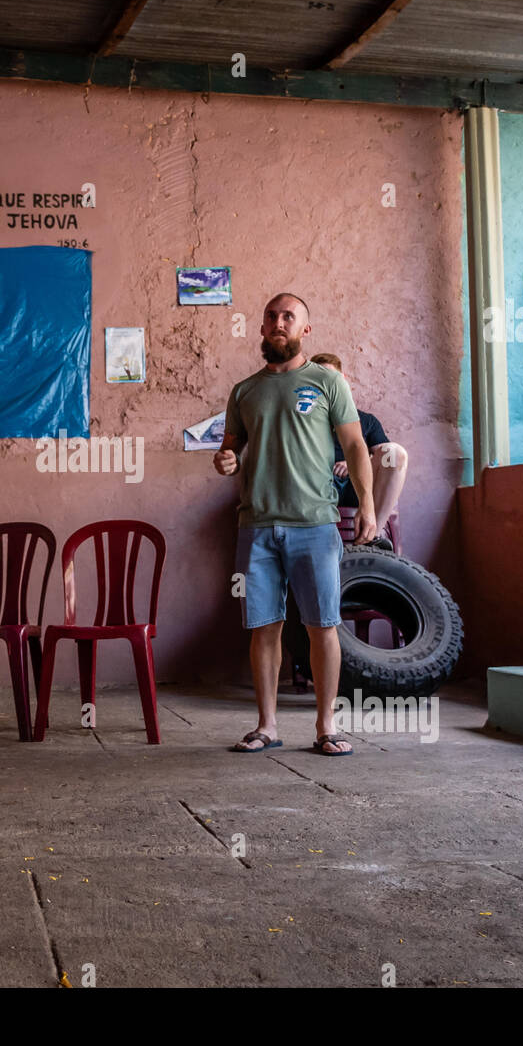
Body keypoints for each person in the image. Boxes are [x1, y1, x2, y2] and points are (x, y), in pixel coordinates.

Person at [214, 292, 376, 756]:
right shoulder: (244, 391)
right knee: (263, 627)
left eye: (289, 316)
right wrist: (225, 460)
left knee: (323, 625)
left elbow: (356, 448)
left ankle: (326, 726)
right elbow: (230, 453)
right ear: (262, 328)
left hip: (316, 525)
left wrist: (366, 507)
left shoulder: (327, 382)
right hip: (256, 527)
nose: (278, 321)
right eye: (271, 316)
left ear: (306, 329)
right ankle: (266, 725)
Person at [310, 353, 407, 549]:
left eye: (332, 379)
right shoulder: (306, 421)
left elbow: (386, 459)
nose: (326, 386)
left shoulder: (366, 420)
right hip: (319, 491)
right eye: (320, 381)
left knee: (394, 453)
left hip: (361, 488)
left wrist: (355, 463)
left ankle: (373, 537)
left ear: (343, 381)